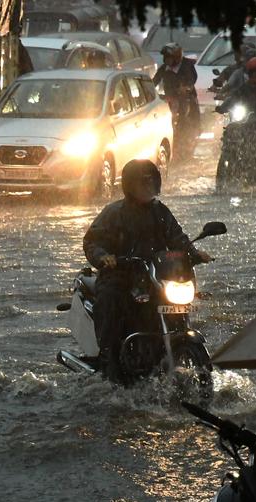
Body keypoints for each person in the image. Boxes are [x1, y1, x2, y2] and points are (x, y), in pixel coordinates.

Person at [82, 159, 204, 384]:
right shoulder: (114, 212)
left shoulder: (160, 211)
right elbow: (92, 241)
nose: (148, 188)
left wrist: (194, 254)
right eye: (143, 184)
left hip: (153, 275)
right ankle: (108, 358)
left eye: (151, 183)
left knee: (175, 304)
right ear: (130, 186)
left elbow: (177, 237)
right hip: (120, 274)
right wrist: (104, 257)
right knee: (110, 298)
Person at [153, 43, 200, 159]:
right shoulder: (163, 69)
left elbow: (191, 80)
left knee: (186, 119)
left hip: (186, 99)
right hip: (170, 100)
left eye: (169, 58)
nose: (167, 61)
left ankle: (187, 143)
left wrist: (185, 88)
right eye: (165, 58)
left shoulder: (187, 66)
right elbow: (153, 82)